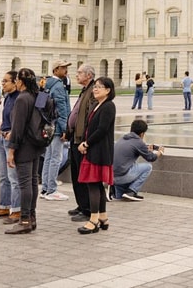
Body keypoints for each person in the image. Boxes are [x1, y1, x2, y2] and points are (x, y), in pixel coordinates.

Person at [4, 68, 43, 234]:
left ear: (20, 81)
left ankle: (25, 219)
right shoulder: (39, 96)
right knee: (33, 181)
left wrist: (11, 150)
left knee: (25, 183)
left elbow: (17, 128)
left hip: (25, 145)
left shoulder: (22, 99)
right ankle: (32, 217)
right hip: (37, 143)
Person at [75, 76, 116, 234]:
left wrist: (86, 143)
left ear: (108, 90)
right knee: (97, 185)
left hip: (99, 151)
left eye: (99, 87)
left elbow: (102, 129)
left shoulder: (108, 106)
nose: (95, 89)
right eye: (95, 86)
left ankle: (93, 220)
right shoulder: (97, 105)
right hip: (94, 150)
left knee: (93, 184)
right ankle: (103, 218)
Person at [65, 64, 98, 222]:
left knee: (82, 176)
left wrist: (85, 139)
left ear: (89, 76)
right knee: (76, 175)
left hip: (81, 140)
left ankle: (87, 209)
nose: (76, 75)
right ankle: (81, 205)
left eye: (79, 73)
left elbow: (89, 117)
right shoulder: (85, 90)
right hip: (74, 137)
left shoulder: (92, 91)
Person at [0, 71, 21, 222]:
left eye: (6, 81)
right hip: (2, 137)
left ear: (15, 82)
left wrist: (12, 132)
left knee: (14, 177)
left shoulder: (20, 98)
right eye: (2, 80)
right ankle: (4, 205)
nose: (3, 83)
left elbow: (20, 121)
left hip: (11, 139)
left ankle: (17, 209)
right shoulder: (7, 97)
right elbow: (6, 117)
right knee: (3, 176)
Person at [40, 61, 72, 201]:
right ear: (56, 69)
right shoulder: (59, 86)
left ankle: (45, 188)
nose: (66, 70)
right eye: (63, 68)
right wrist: (66, 128)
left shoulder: (45, 84)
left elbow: (40, 105)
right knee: (56, 158)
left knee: (48, 157)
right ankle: (51, 189)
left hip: (47, 126)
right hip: (57, 127)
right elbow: (62, 109)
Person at [111, 119, 163, 201]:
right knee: (148, 167)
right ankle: (132, 191)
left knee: (130, 165)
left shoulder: (123, 139)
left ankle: (121, 194)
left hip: (111, 177)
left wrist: (147, 149)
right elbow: (151, 158)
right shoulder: (138, 142)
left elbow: (133, 149)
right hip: (122, 177)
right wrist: (159, 152)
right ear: (142, 134)